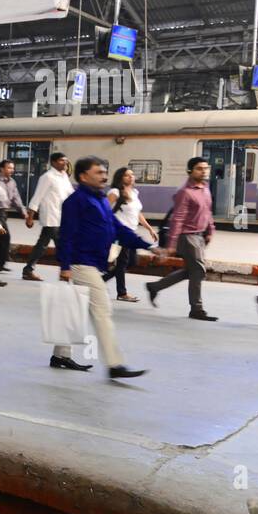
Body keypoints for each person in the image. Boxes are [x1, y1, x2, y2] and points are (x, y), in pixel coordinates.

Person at [51, 157, 162, 379]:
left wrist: (148, 246)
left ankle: (60, 355)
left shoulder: (101, 199)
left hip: (94, 262)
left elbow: (119, 229)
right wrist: (65, 266)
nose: (104, 176)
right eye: (98, 172)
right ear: (83, 176)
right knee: (102, 310)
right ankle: (114, 365)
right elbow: (67, 236)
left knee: (77, 308)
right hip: (82, 263)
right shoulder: (75, 201)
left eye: (105, 172)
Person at [146, 157, 217, 320]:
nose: (204, 171)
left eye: (206, 168)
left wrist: (210, 231)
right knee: (198, 271)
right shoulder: (184, 192)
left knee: (191, 271)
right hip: (188, 236)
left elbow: (208, 212)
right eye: (199, 168)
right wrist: (172, 243)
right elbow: (177, 218)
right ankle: (196, 309)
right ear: (190, 171)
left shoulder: (205, 189)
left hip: (200, 236)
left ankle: (155, 286)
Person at [102, 166, 158, 302]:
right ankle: (121, 293)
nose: (131, 177)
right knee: (123, 263)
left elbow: (137, 213)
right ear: (120, 177)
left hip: (131, 233)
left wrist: (149, 228)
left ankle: (100, 282)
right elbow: (103, 210)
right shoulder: (115, 192)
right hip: (120, 233)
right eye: (127, 175)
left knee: (130, 262)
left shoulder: (134, 192)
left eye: (132, 175)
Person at [22, 153, 74, 281]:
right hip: (51, 216)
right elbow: (37, 196)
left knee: (43, 244)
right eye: (62, 161)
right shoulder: (47, 177)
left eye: (66, 161)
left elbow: (71, 194)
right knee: (60, 244)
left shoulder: (64, 177)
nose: (65, 163)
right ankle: (65, 271)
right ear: (54, 162)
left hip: (62, 217)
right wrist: (30, 217)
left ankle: (28, 270)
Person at [0, 159, 26, 271]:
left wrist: (23, 211)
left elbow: (16, 198)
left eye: (12, 168)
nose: (12, 170)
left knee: (1, 239)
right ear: (2, 169)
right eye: (9, 168)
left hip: (3, 213)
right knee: (3, 238)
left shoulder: (12, 182)